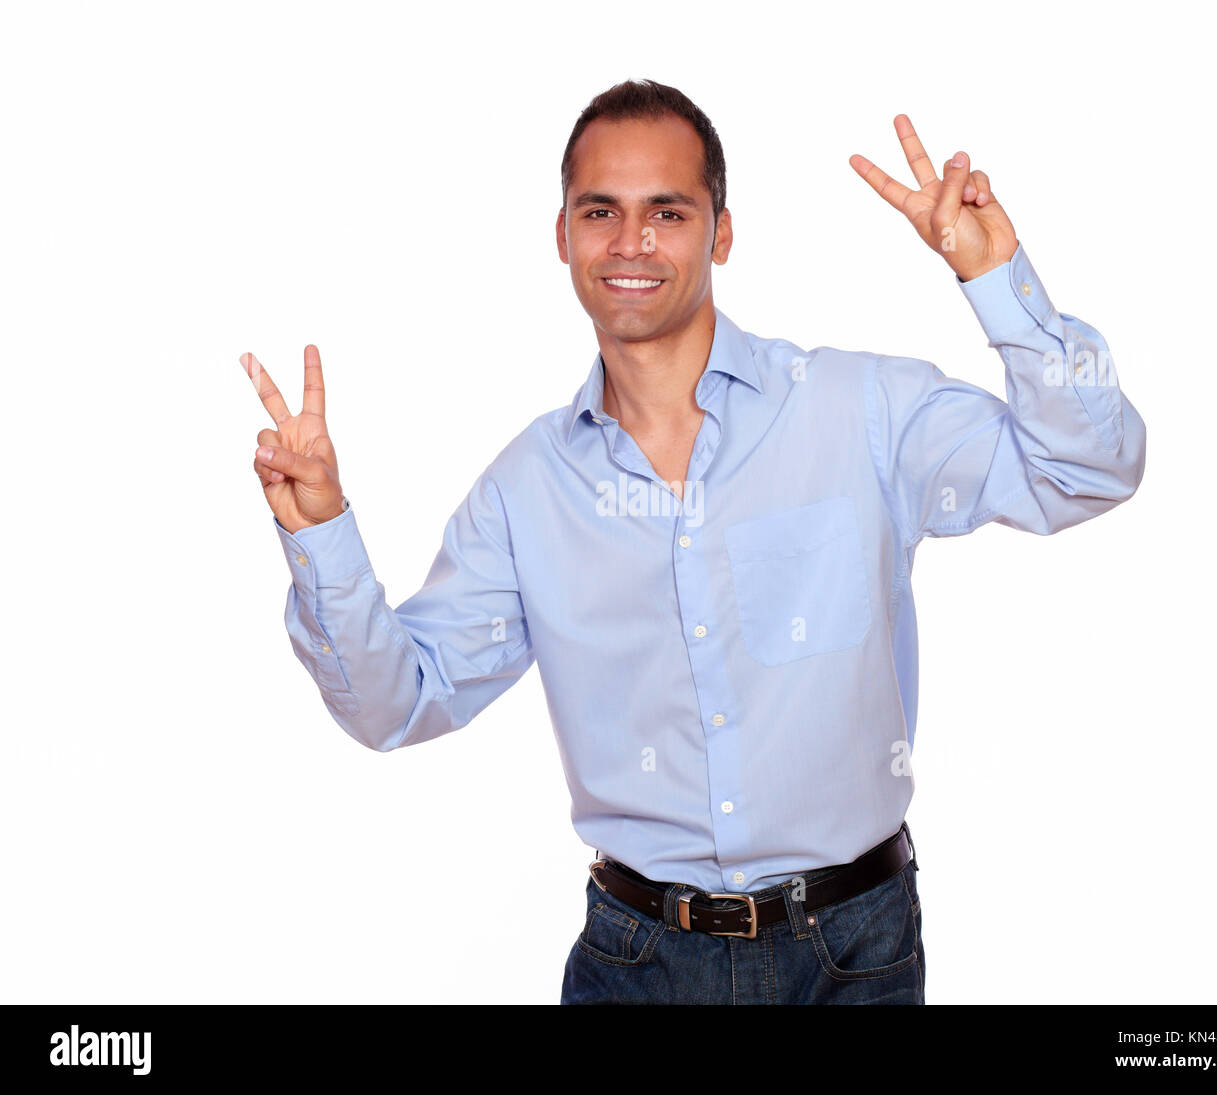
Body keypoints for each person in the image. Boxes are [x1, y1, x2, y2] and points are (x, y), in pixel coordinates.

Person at [240, 79, 1145, 1004]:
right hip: (636, 963)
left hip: (854, 954)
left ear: (720, 233)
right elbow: (398, 703)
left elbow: (1090, 468)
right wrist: (321, 533)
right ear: (563, 237)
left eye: (666, 212)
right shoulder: (525, 491)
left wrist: (999, 282)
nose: (631, 244)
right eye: (602, 212)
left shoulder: (861, 411)